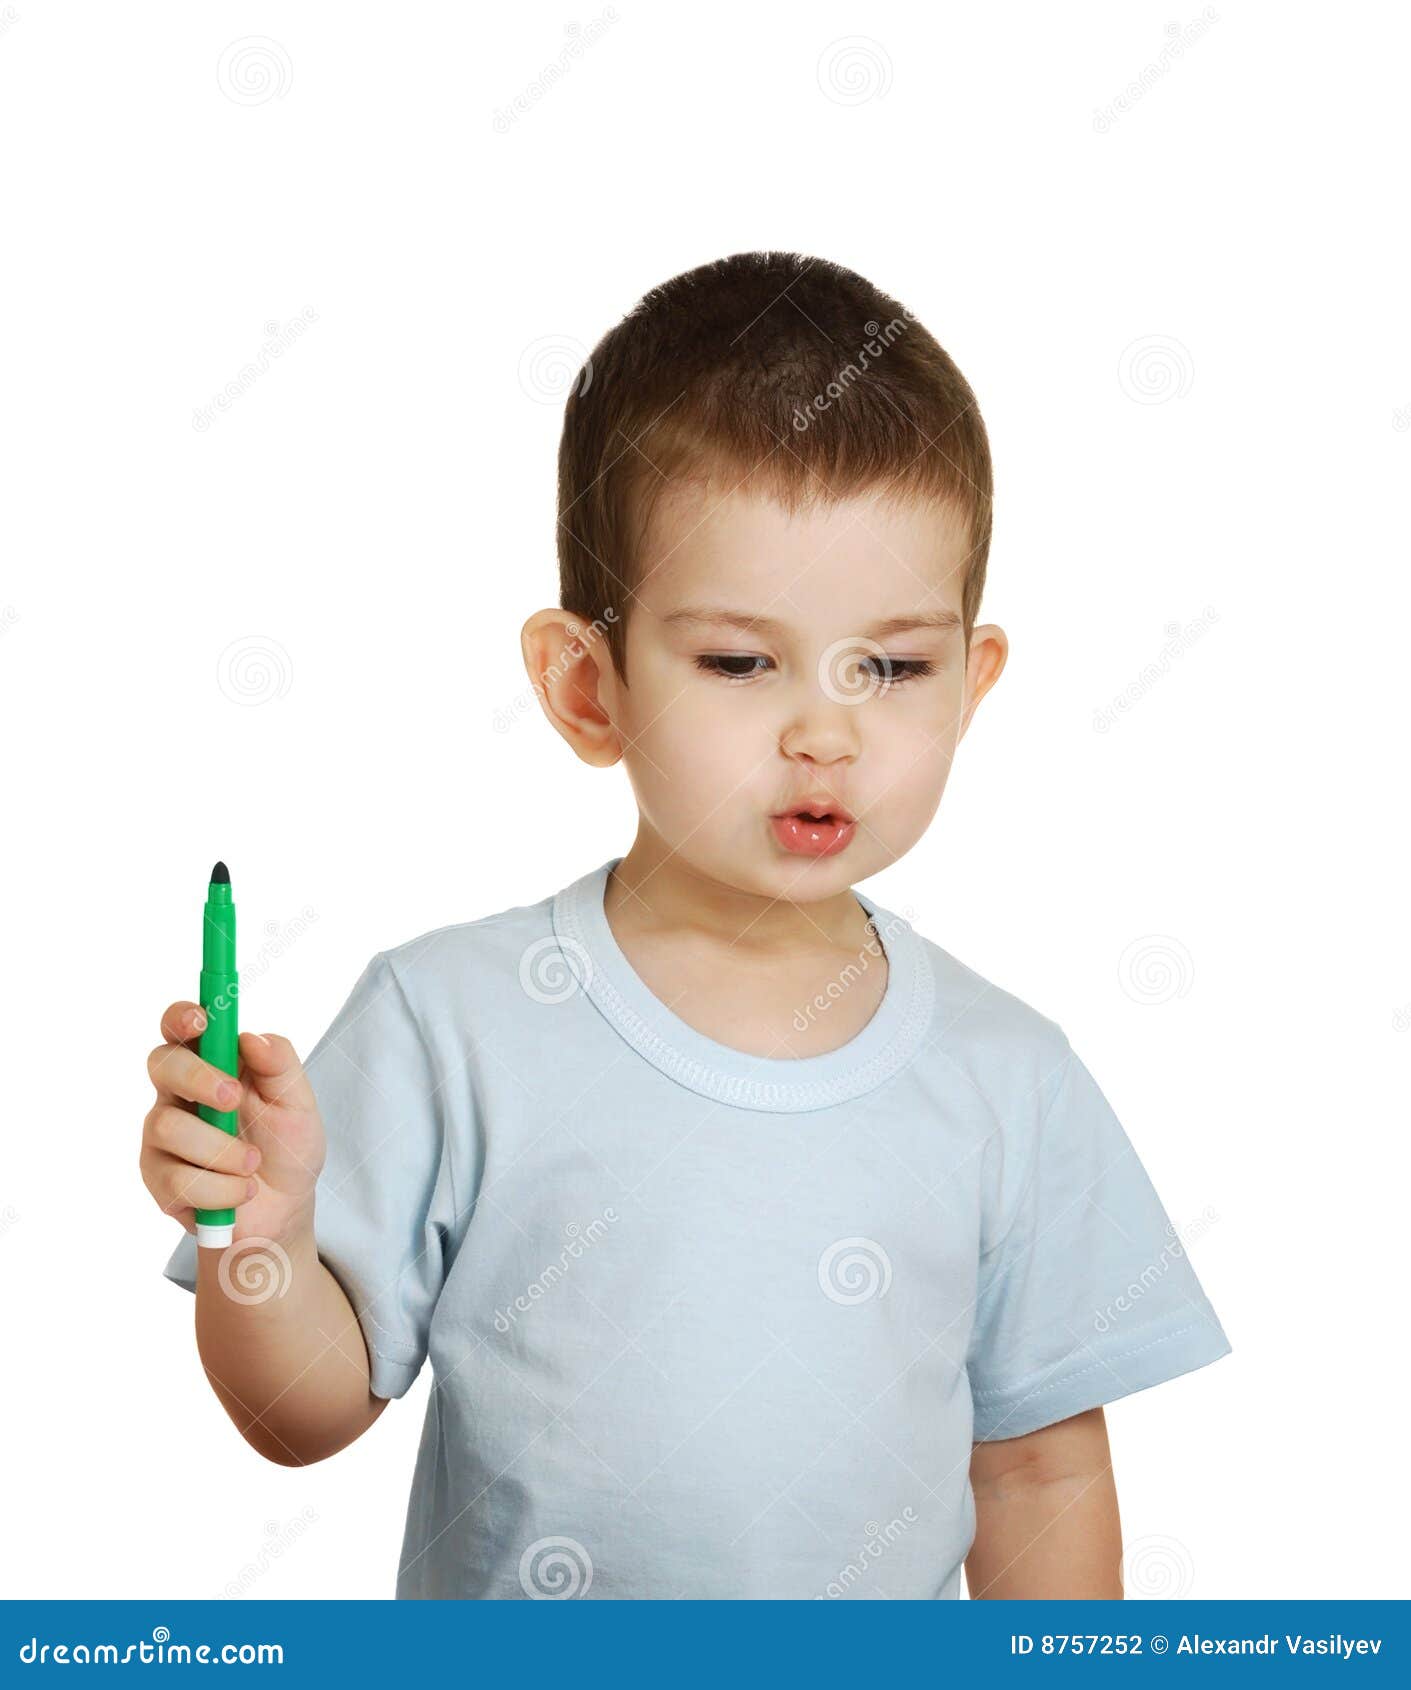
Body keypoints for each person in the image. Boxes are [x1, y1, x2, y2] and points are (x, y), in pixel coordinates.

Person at [146, 251, 1230, 1600]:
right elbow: (300, 1416)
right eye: (738, 659)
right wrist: (265, 1235)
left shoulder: (1013, 1075)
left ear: (972, 682)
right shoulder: (454, 1021)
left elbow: (1041, 1475)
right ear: (587, 686)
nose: (824, 729)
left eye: (892, 665)